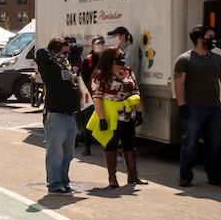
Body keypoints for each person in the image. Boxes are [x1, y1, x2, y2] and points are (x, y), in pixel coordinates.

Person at [174, 25, 221, 188]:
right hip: (193, 109)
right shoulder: (185, 59)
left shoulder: (218, 59)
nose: (214, 40)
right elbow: (179, 84)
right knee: (190, 143)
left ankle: (215, 176)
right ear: (200, 39)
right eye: (211, 37)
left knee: (214, 144)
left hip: (214, 109)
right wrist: (182, 105)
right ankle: (185, 176)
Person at [91, 47, 145, 189]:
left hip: (127, 114)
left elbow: (135, 92)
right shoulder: (101, 75)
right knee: (111, 145)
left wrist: (139, 112)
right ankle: (112, 177)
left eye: (122, 55)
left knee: (130, 144)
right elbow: (97, 98)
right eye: (119, 56)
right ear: (111, 59)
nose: (123, 58)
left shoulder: (128, 72)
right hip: (111, 115)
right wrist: (102, 119)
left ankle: (133, 175)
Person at [35, 37, 81, 194]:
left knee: (68, 153)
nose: (67, 54)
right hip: (56, 114)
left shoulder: (66, 65)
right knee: (55, 153)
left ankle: (64, 181)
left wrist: (66, 50)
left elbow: (78, 48)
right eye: (64, 51)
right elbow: (41, 53)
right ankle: (54, 184)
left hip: (70, 114)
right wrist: (56, 54)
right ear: (55, 51)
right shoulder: (50, 66)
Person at [77, 37, 103, 155]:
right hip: (90, 98)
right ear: (92, 45)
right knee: (89, 122)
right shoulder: (88, 60)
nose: (100, 46)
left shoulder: (105, 59)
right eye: (97, 44)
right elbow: (83, 79)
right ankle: (87, 146)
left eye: (102, 43)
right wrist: (91, 94)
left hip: (103, 95)